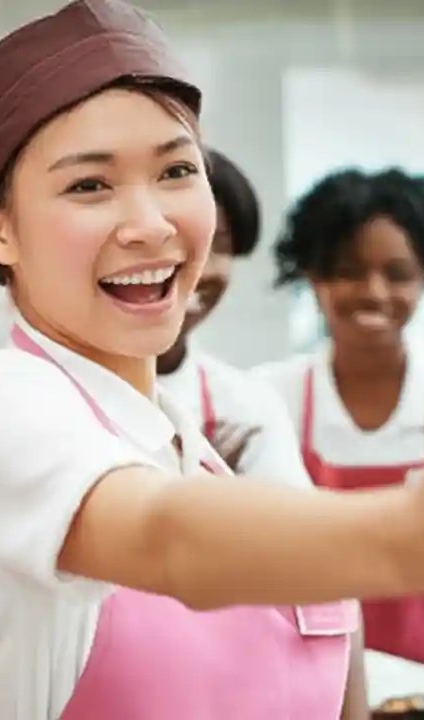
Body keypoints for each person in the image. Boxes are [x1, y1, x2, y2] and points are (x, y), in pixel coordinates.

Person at [0, 2, 424, 719]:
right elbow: (164, 538)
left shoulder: (197, 444)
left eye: (177, 170)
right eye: (90, 184)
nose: (151, 224)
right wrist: (408, 536)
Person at [252, 167, 424, 707]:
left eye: (398, 273)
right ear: (312, 276)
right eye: (347, 271)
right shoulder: (270, 396)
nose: (374, 293)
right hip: (312, 687)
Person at [155, 148, 369, 717]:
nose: (197, 264)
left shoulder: (242, 404)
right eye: (173, 238)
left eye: (219, 246)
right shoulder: (20, 389)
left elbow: (322, 563)